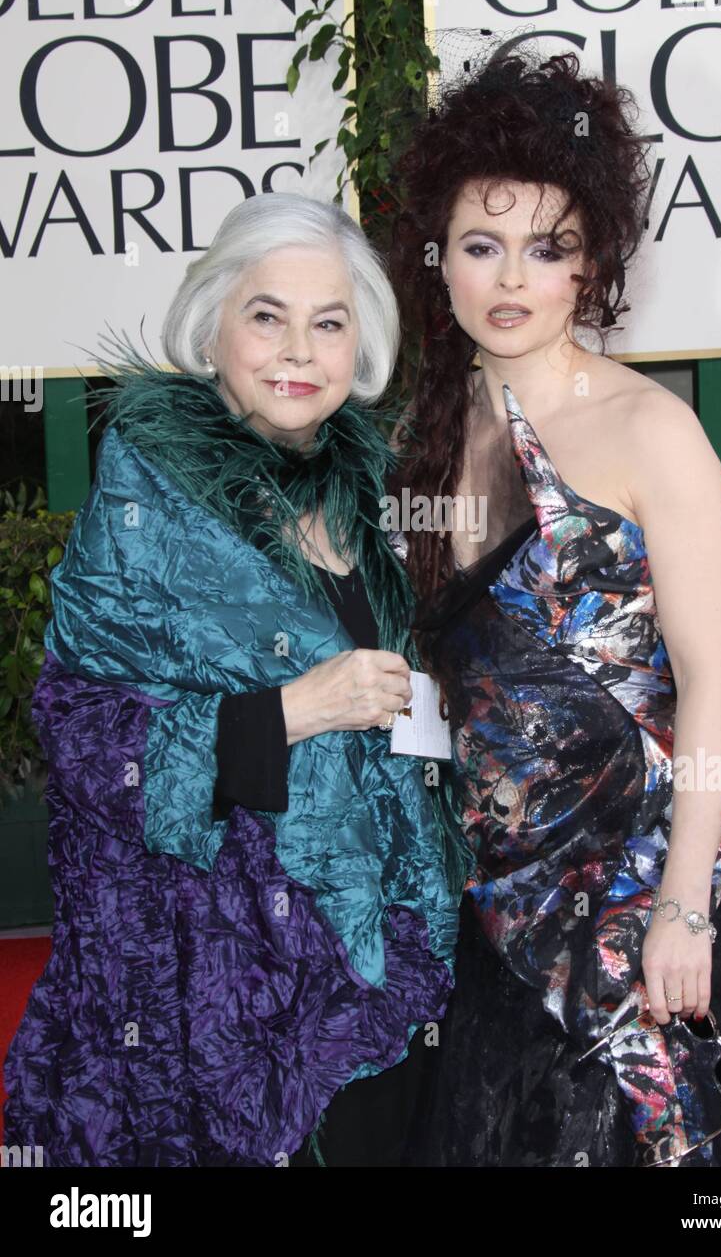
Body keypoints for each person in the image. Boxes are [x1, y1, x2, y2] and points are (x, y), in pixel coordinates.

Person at [386, 44, 721, 1167]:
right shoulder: (419, 438)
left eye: (544, 249)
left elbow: (711, 682)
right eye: (480, 245)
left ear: (587, 264)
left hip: (644, 882)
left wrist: (683, 908)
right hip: (496, 905)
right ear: (437, 260)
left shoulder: (652, 430)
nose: (510, 278)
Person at [2, 191, 470, 1168]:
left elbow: (414, 701)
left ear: (361, 347)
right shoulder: (149, 502)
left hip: (379, 945)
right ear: (212, 327)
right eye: (268, 315)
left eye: (328, 322)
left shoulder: (375, 493)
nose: (298, 349)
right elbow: (83, 734)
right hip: (213, 975)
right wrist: (294, 710)